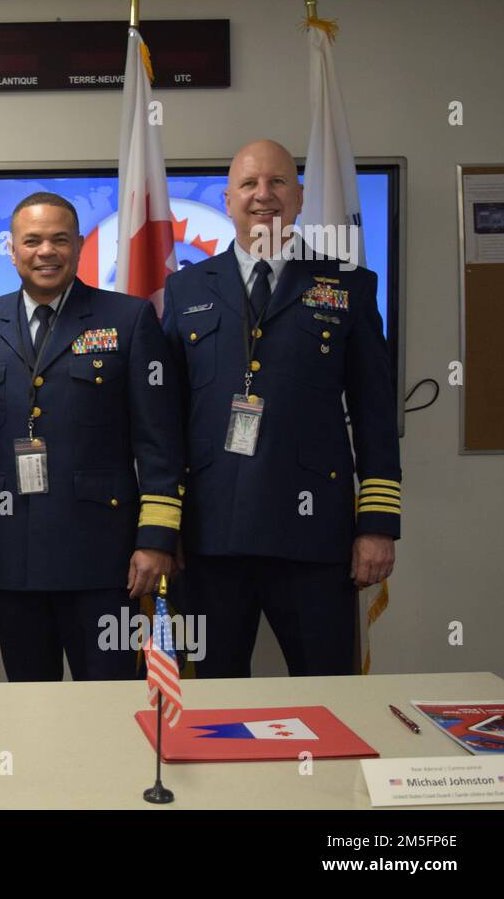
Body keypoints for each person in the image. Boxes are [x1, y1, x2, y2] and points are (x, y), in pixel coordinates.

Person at [160, 139, 400, 678]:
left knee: (329, 695)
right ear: (228, 199)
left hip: (315, 540)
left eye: (277, 183)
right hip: (211, 536)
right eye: (249, 184)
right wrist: (163, 526)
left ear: (299, 196)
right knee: (214, 703)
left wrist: (378, 524)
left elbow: (375, 412)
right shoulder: (185, 289)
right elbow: (165, 418)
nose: (263, 195)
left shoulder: (349, 285)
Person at [0, 193, 184, 681]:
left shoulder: (128, 319)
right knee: (32, 704)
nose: (45, 251)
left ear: (77, 245)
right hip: (10, 554)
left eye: (58, 239)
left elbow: (158, 442)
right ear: (12, 250)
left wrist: (156, 539)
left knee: (112, 700)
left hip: (104, 558)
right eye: (32, 241)